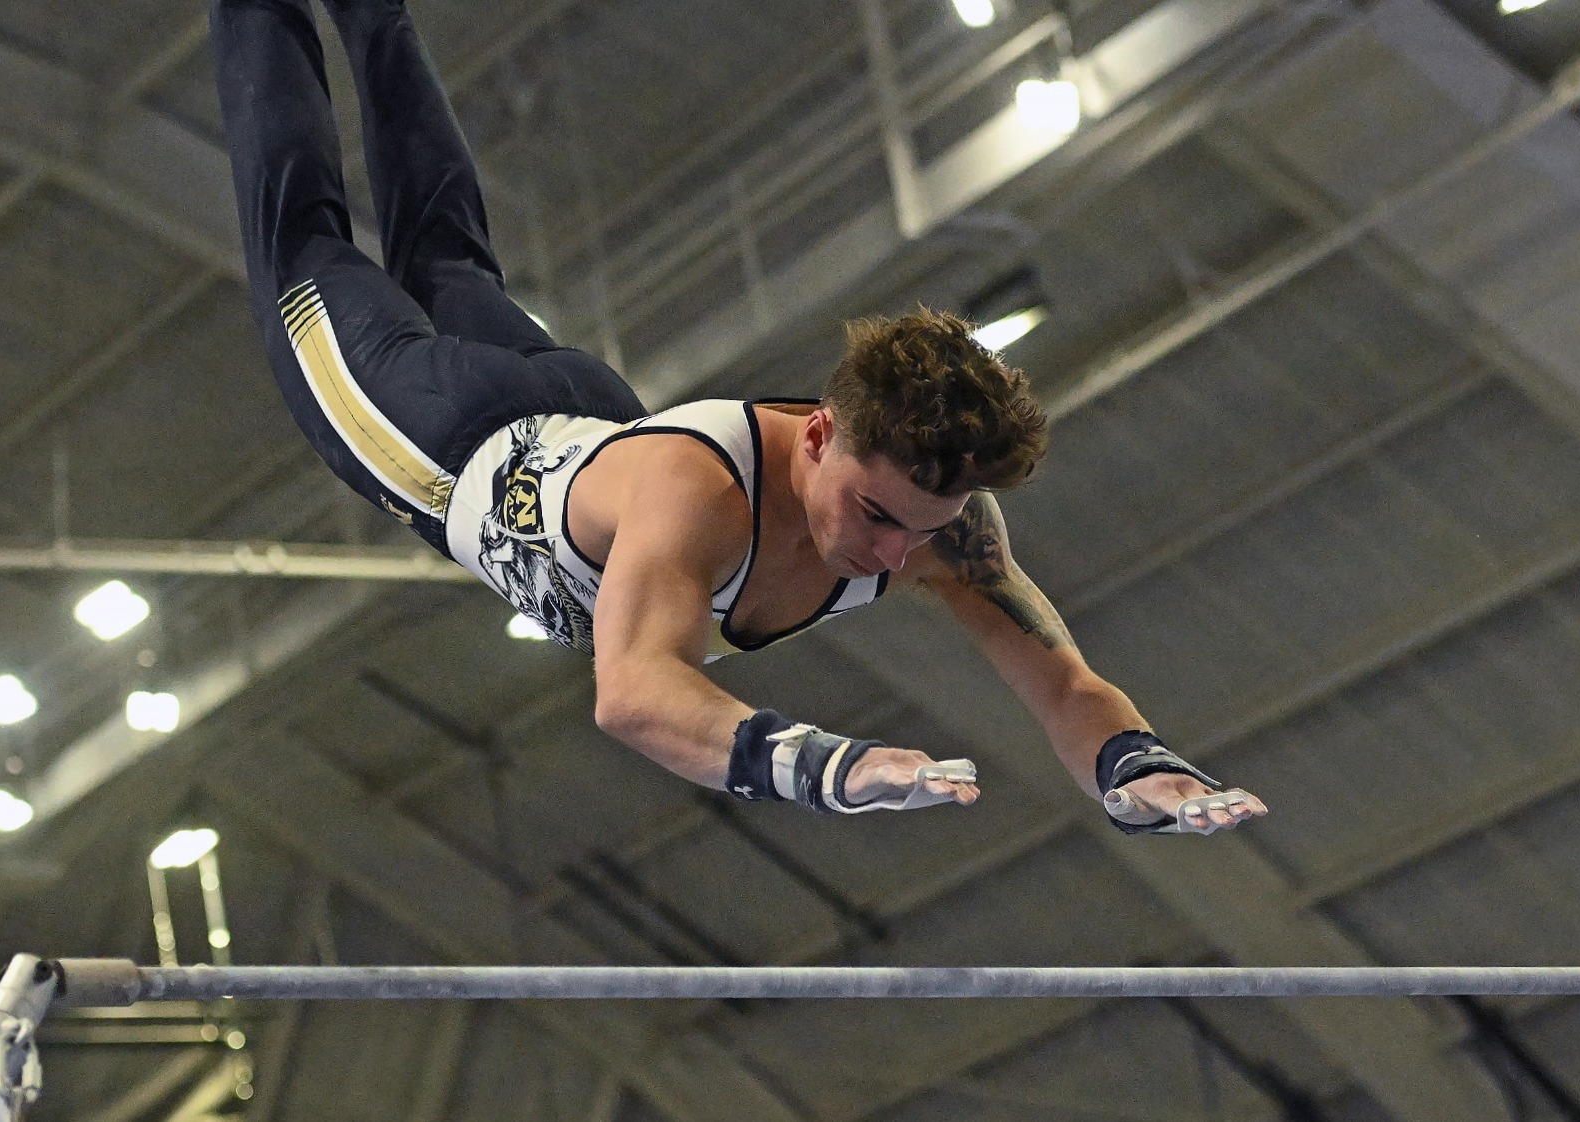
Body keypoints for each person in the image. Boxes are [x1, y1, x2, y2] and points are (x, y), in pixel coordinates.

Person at [210, 0, 1266, 834]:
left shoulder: (947, 529)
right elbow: (631, 693)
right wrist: (831, 767)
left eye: (922, 531)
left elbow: (1065, 688)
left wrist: (1138, 770)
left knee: (446, 247)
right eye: (875, 514)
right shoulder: (701, 489)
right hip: (448, 442)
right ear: (815, 432)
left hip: (584, 414)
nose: (893, 555)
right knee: (300, 239)